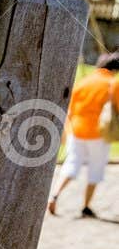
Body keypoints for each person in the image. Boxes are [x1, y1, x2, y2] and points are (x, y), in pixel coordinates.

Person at [50, 51, 119, 219]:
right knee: (96, 169)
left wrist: (68, 130)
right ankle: (86, 206)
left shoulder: (83, 82)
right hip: (99, 133)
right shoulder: (113, 83)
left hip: (77, 130)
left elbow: (71, 108)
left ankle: (54, 196)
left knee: (71, 164)